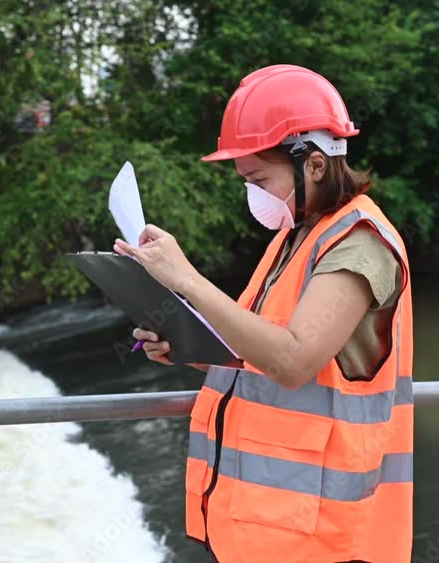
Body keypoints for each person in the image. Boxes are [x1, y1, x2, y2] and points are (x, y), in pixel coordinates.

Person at [112, 65, 413, 563]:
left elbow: (293, 361)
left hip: (323, 537)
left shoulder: (359, 243)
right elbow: (257, 354)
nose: (251, 193)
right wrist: (187, 347)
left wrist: (184, 278)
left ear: (313, 164)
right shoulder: (296, 236)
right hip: (265, 528)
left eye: (257, 178)